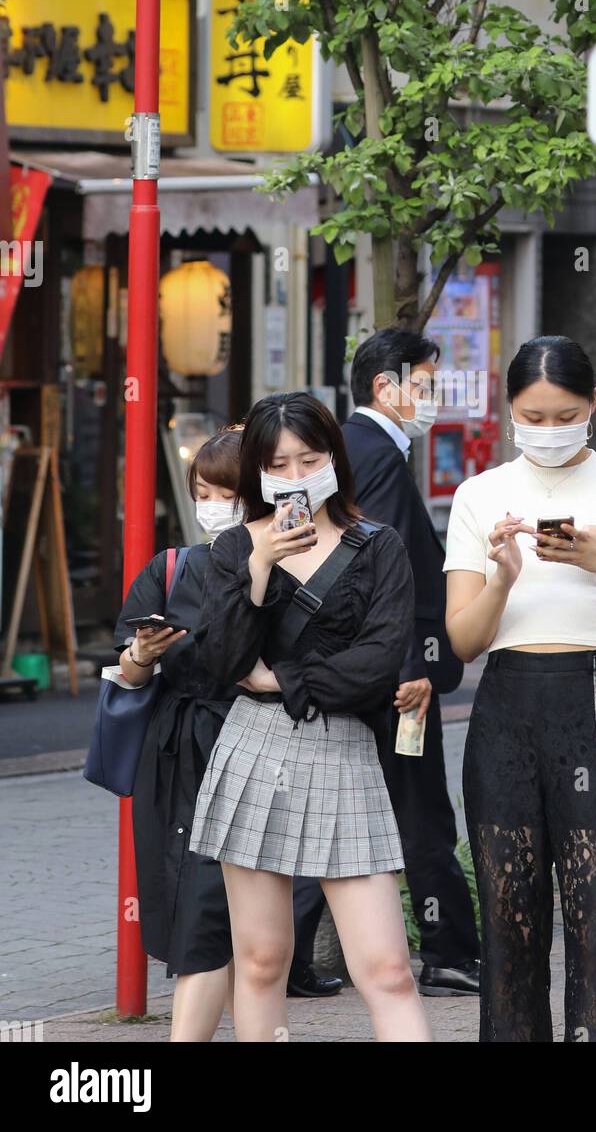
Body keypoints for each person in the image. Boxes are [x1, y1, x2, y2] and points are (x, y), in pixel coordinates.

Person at [188, 393, 433, 1043]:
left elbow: (379, 663)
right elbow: (222, 659)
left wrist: (284, 678)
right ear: (257, 474)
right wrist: (261, 565)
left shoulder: (377, 546)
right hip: (253, 748)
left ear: (335, 459)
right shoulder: (235, 547)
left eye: (310, 458)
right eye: (279, 464)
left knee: (387, 969)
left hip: (344, 751)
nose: (296, 477)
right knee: (264, 962)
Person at [444, 335, 596, 1042]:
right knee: (510, 930)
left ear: (594, 404)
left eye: (563, 414)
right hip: (507, 706)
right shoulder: (480, 494)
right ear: (510, 410)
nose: (547, 430)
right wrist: (504, 577)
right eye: (532, 416)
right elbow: (463, 641)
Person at [293, 328, 480, 997]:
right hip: (396, 677)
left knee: (342, 812)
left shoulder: (349, 448)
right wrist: (410, 665)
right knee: (420, 810)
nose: (431, 399)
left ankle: (286, 958)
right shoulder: (374, 453)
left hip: (359, 668)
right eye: (424, 385)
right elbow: (380, 567)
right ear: (386, 387)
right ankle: (450, 954)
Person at [113, 428, 243, 1042]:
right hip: (175, 749)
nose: (214, 503)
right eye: (204, 491)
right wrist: (141, 652)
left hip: (253, 743)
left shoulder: (295, 568)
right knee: (188, 899)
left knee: (227, 917)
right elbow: (127, 673)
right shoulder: (170, 568)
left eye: (229, 492)